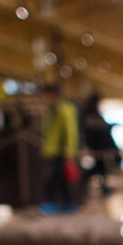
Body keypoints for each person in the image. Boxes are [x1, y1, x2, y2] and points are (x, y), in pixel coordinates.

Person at [40, 82, 79, 212]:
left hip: (61, 152)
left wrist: (69, 153)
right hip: (52, 151)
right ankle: (61, 205)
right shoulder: (51, 110)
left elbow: (70, 132)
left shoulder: (65, 109)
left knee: (58, 180)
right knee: (59, 181)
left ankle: (62, 205)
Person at [81, 93, 118, 196]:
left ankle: (103, 188)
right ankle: (101, 188)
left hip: (98, 146)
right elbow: (98, 129)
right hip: (98, 147)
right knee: (98, 168)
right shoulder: (90, 114)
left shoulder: (91, 114)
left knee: (100, 168)